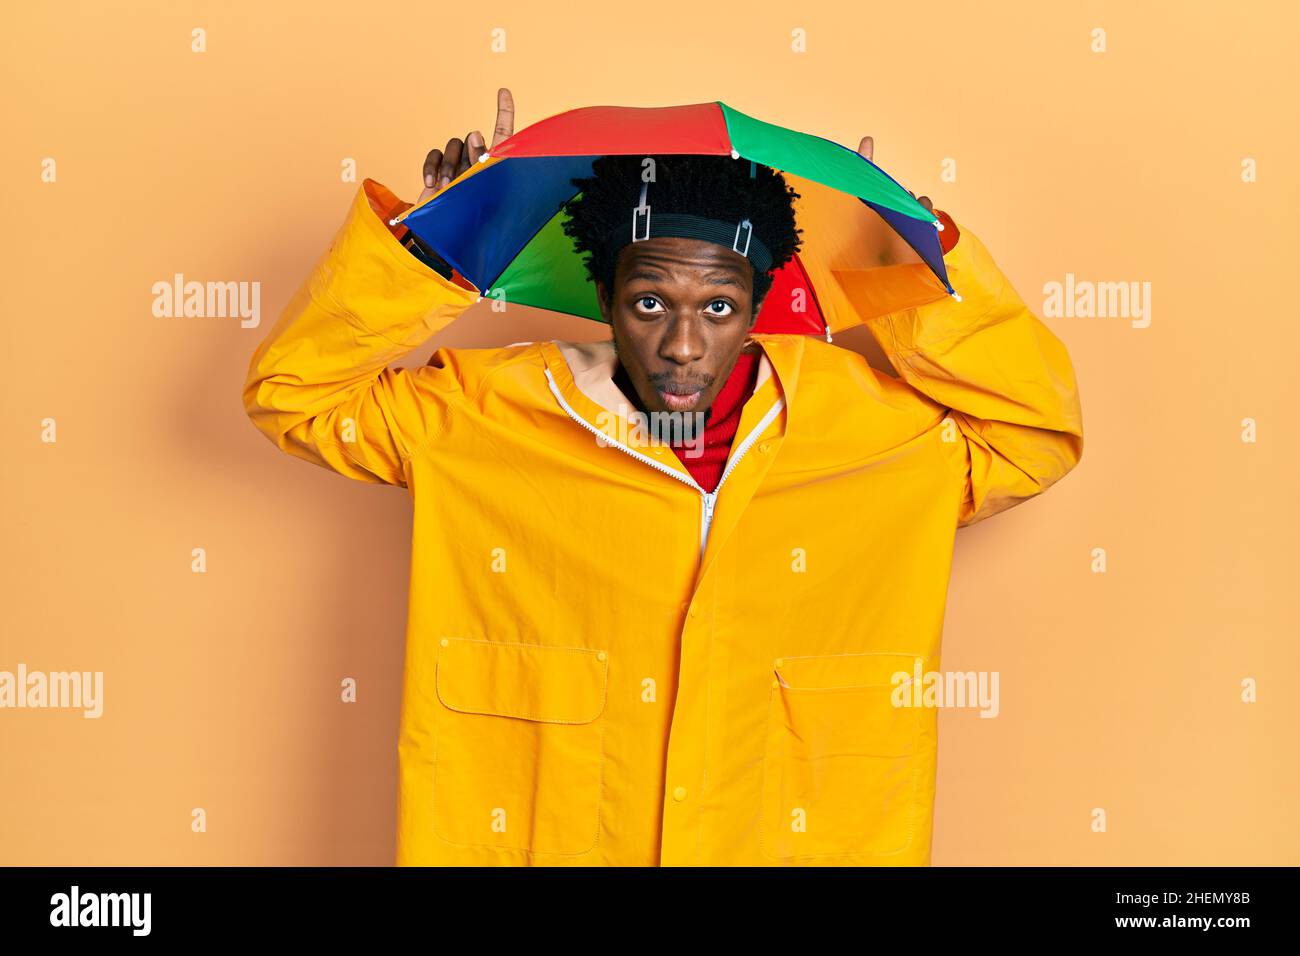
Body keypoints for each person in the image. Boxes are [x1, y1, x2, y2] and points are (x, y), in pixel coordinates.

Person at [243, 88, 1083, 866]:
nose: (683, 345)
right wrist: (441, 246)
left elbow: (1034, 432)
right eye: (650, 302)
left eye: (718, 305)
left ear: (756, 306)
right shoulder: (479, 414)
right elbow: (295, 397)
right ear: (604, 296)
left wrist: (900, 269)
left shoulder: (875, 436)